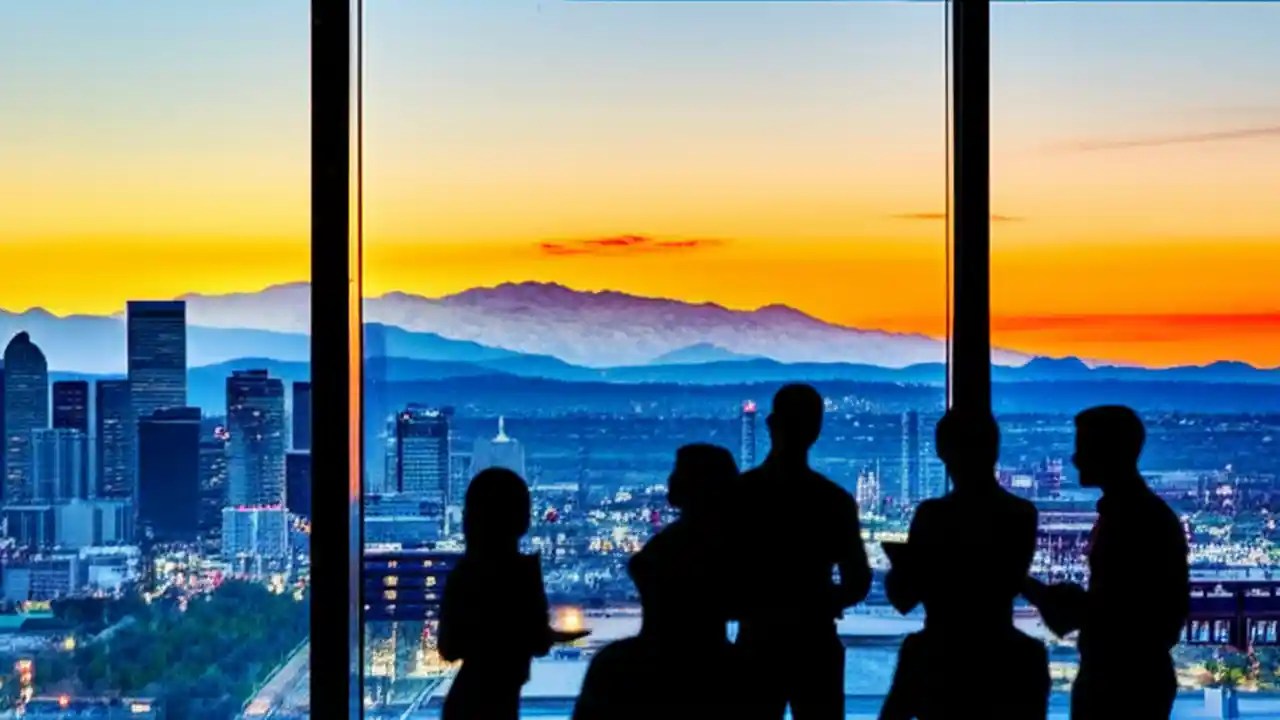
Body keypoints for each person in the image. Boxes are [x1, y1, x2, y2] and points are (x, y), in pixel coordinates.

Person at [879, 409, 1048, 720]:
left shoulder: (933, 515)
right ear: (994, 449)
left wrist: (902, 567)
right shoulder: (1021, 514)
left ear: (943, 453)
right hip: (1004, 657)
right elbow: (1007, 582)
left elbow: (903, 598)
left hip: (941, 655)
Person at [1023, 405, 1189, 719]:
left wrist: (1036, 590)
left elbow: (1117, 614)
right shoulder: (1145, 515)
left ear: (1108, 452)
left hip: (1119, 681)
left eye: (1083, 448)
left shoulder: (1131, 519)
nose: (1075, 459)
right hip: (1134, 677)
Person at [574, 444, 744, 720]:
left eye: (678, 471)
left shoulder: (682, 542)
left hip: (666, 652)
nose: (670, 479)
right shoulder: (727, 544)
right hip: (705, 654)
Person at [735, 384, 872, 720]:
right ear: (817, 429)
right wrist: (819, 602)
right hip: (815, 642)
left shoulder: (741, 495)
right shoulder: (833, 500)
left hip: (757, 641)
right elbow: (858, 581)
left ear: (771, 424)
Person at [438, 468, 587, 720]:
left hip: (469, 698)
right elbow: (537, 642)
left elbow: (449, 647)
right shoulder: (522, 573)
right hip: (497, 698)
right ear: (521, 520)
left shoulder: (465, 573)